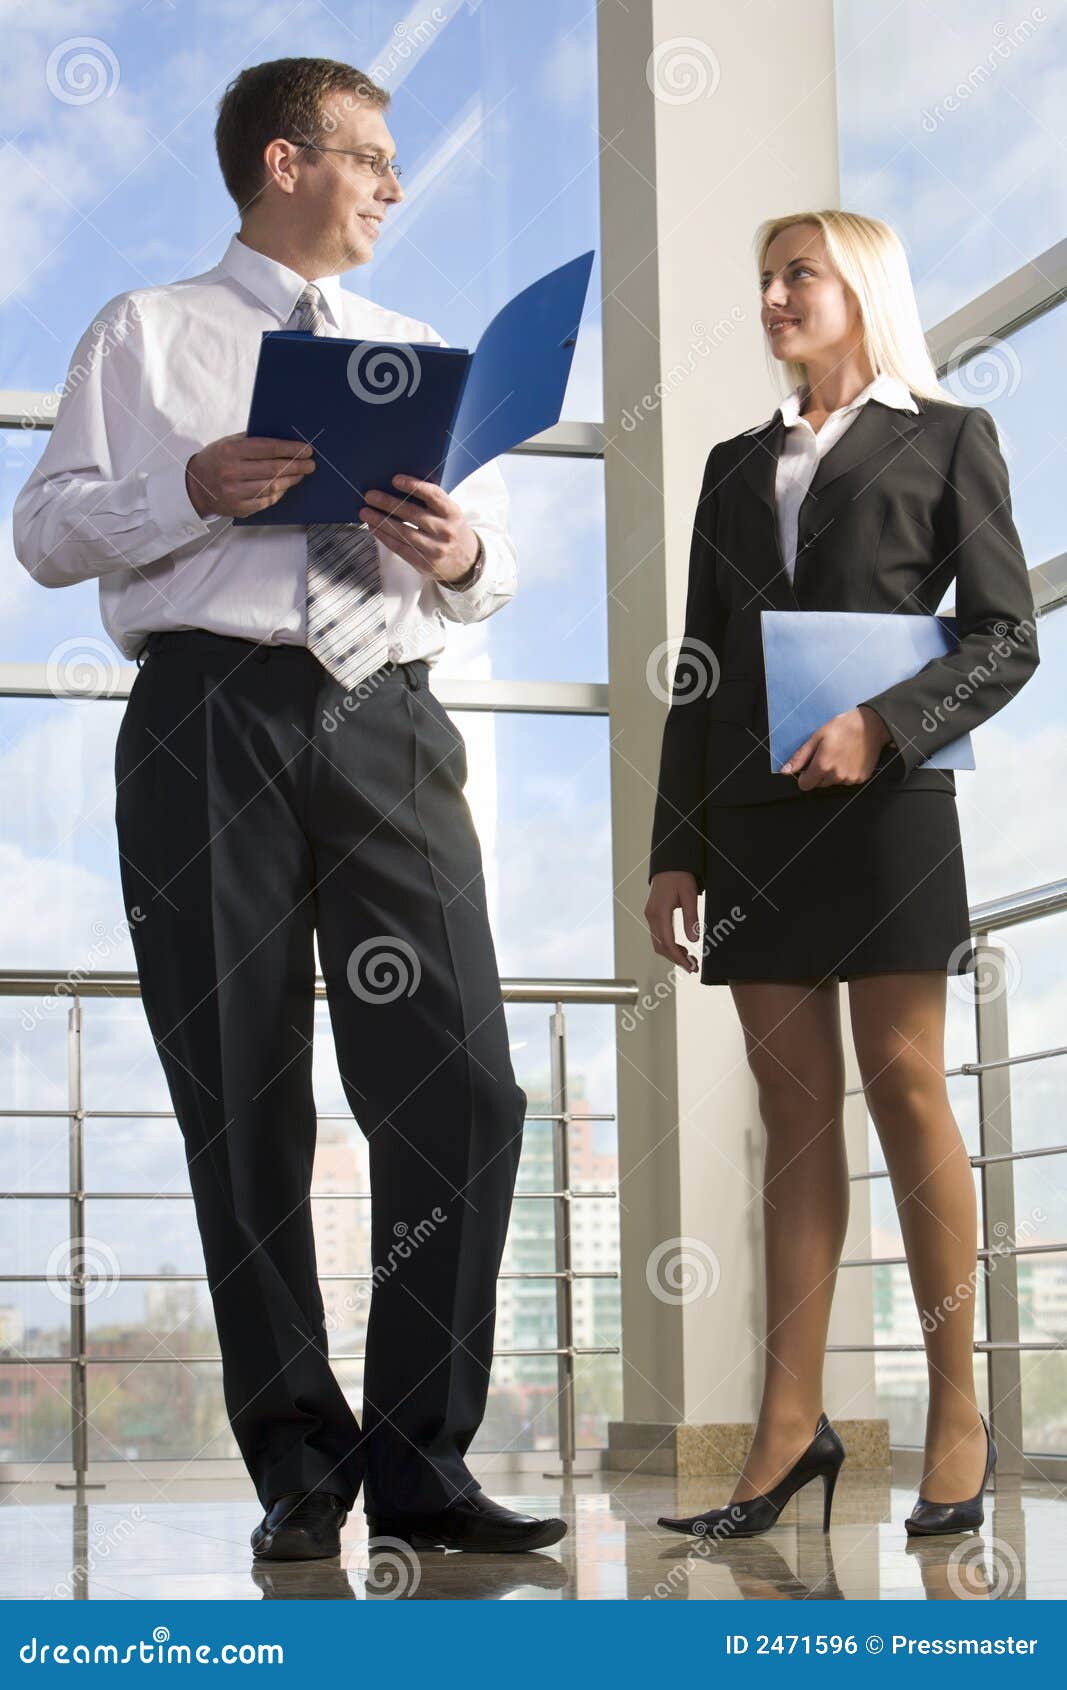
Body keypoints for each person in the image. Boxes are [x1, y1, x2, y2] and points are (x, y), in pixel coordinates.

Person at [13, 55, 566, 1562]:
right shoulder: (148, 331)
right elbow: (46, 528)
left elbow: (496, 569)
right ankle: (300, 1467)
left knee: (465, 1089)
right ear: (285, 160)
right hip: (207, 719)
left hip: (390, 717)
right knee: (245, 1097)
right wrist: (191, 484)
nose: (394, 186)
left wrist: (457, 551)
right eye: (371, 158)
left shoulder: (415, 348)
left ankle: (426, 1462)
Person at [645, 210, 1038, 1539]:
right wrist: (672, 846)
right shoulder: (729, 467)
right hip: (751, 818)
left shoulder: (948, 438)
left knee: (909, 1081)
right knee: (793, 1113)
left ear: (860, 285)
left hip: (888, 808)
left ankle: (958, 1414)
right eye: (762, 277)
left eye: (795, 274)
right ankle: (786, 1427)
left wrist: (884, 724)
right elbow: (697, 666)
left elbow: (1003, 638)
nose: (772, 296)